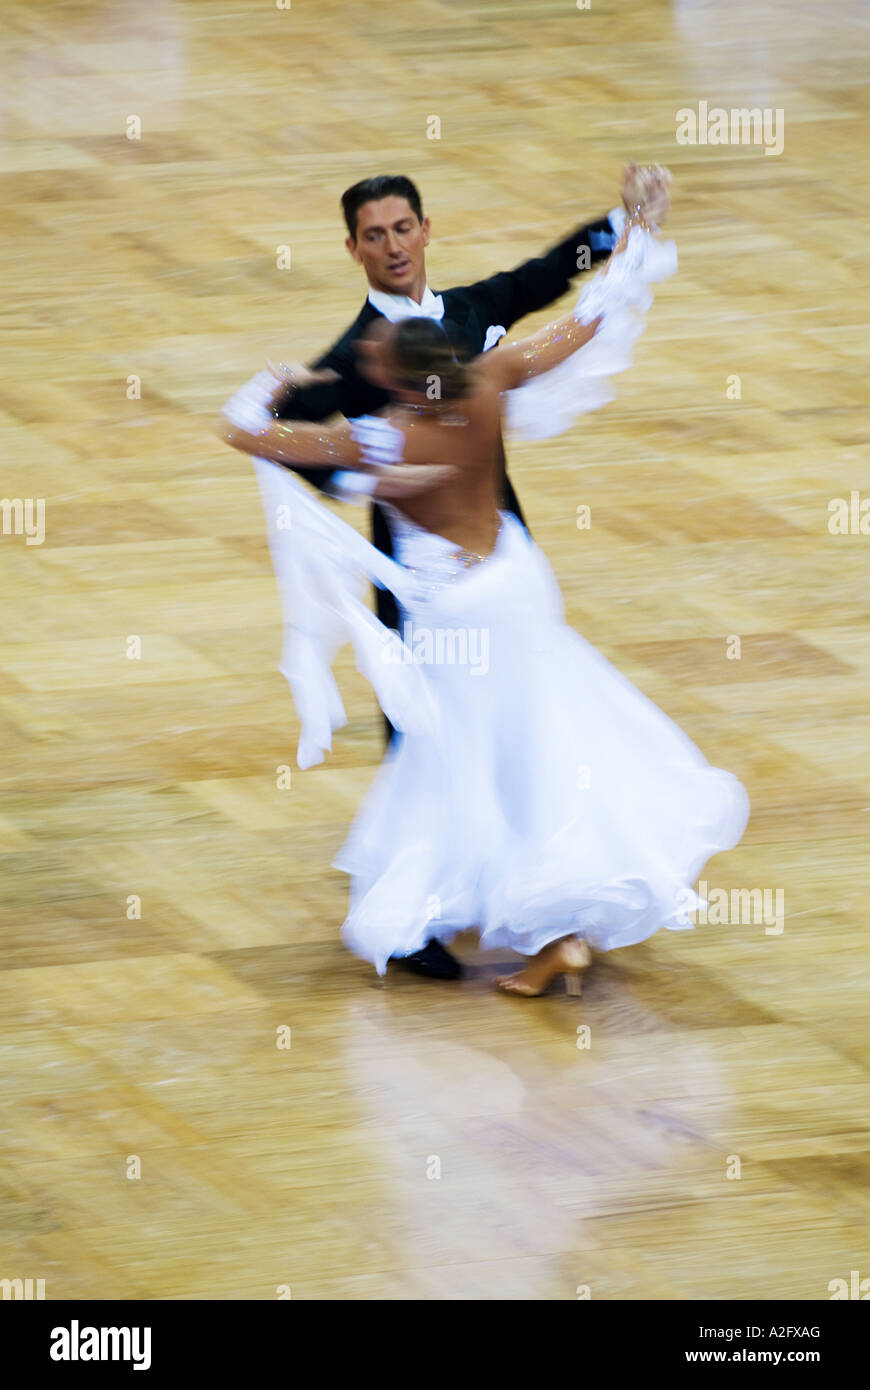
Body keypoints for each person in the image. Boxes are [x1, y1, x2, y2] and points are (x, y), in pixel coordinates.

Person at [220, 199, 750, 997]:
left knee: (449, 756)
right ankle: (558, 924)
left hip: (451, 609)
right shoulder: (492, 372)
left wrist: (279, 397)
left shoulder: (388, 436)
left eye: (378, 349)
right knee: (538, 738)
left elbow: (250, 432)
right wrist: (634, 243)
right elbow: (585, 320)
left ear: (395, 376)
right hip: (518, 580)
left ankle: (449, 913)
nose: (366, 346)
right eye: (376, 233)